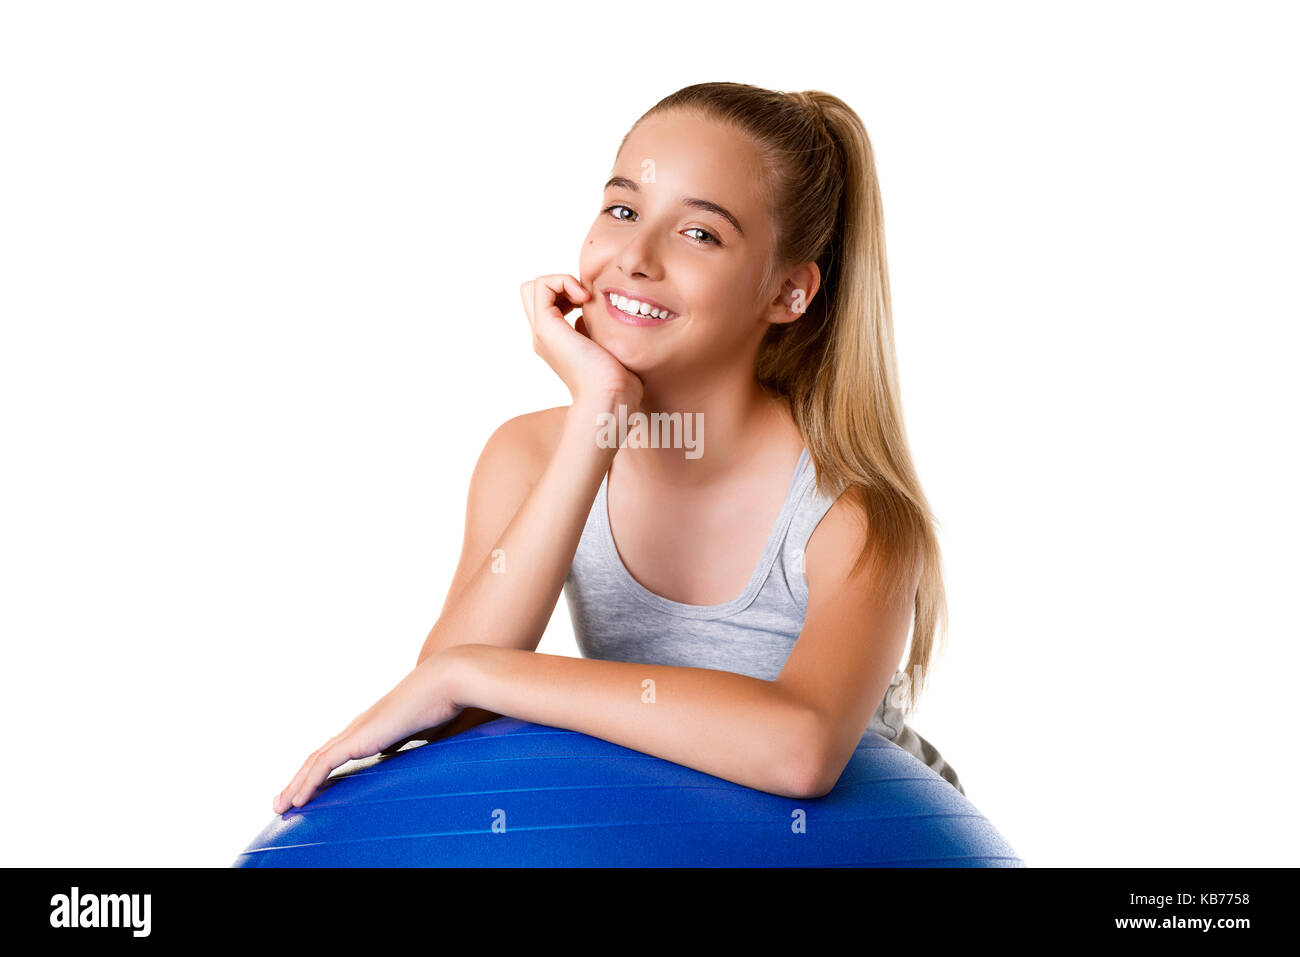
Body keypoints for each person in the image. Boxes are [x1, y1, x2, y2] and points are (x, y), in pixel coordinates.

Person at [274, 81, 965, 816]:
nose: (635, 256)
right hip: (669, 829)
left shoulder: (853, 512)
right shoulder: (529, 455)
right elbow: (452, 714)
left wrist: (471, 672)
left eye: (700, 233)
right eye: (623, 209)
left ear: (789, 292)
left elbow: (802, 751)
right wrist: (597, 416)